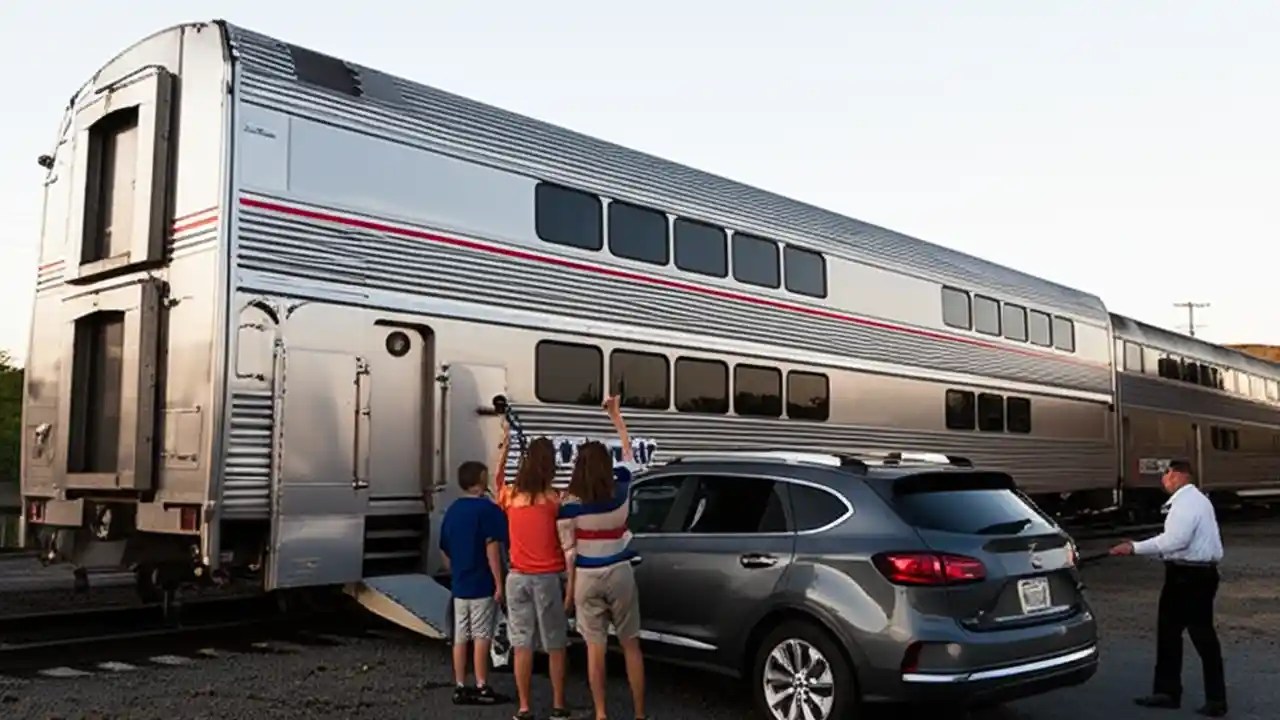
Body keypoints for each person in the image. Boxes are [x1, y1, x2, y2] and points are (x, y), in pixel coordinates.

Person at [1110, 459, 1227, 717]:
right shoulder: (1194, 500)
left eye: (1164, 475)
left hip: (1191, 577)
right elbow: (1177, 546)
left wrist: (1134, 547)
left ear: (1174, 474)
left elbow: (1176, 540)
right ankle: (1167, 691)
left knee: (1200, 635)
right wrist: (1145, 550)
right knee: (1169, 631)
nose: (1162, 481)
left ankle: (1214, 699)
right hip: (1187, 573)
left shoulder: (1187, 503)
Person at [559, 395, 648, 720]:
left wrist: (569, 592)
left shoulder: (569, 504)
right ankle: (639, 714)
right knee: (631, 645)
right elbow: (628, 451)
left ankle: (600, 714)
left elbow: (569, 552)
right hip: (621, 572)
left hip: (586, 576)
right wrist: (616, 417)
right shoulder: (622, 487)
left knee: (594, 650)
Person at [492, 427, 572, 720]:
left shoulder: (511, 496)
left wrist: (505, 447)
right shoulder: (554, 500)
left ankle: (524, 707)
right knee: (555, 644)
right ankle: (559, 705)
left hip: (517, 577)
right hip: (548, 577)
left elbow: (497, 479)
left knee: (521, 644)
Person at [438, 460, 508, 705]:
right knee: (481, 635)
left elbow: (444, 549)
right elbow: (492, 549)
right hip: (481, 582)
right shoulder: (488, 511)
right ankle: (481, 685)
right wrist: (499, 583)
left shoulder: (454, 510)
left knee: (460, 636)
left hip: (460, 584)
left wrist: (455, 571)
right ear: (481, 479)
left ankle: (459, 685)